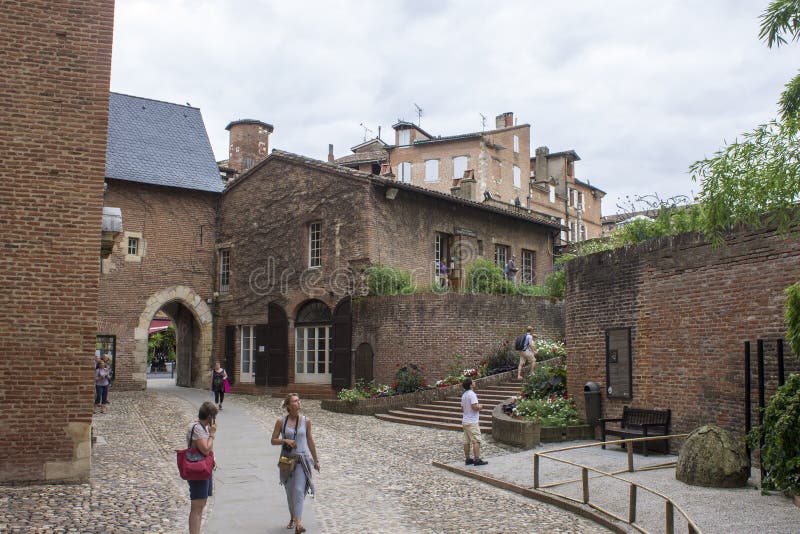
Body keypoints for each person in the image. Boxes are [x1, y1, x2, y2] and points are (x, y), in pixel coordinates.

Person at [271, 393, 320, 534]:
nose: (298, 403)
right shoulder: (281, 422)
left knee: (298, 491)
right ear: (288, 405)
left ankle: (298, 523)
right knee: (290, 492)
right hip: (287, 461)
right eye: (295, 401)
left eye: (299, 400)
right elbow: (273, 440)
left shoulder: (306, 421)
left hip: (302, 461)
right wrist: (285, 440)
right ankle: (293, 517)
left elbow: (310, 441)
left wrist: (316, 460)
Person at [186, 401, 218, 534]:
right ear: (210, 417)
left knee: (201, 504)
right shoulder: (198, 428)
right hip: (198, 470)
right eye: (214, 417)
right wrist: (212, 435)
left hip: (205, 469)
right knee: (197, 506)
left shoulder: (202, 427)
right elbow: (205, 449)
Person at [461, 378, 487, 466]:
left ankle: (468, 459)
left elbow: (462, 408)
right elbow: (474, 407)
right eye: (473, 381)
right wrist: (481, 406)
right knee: (476, 440)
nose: (474, 382)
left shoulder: (464, 395)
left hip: (465, 420)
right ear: (470, 385)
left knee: (466, 441)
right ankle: (477, 459)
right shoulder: (472, 394)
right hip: (472, 421)